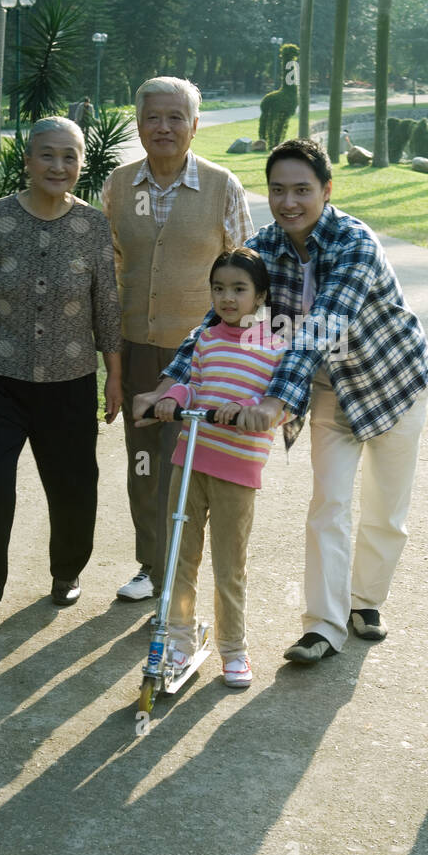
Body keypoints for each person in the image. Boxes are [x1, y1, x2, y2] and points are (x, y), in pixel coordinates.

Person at [137, 138, 428, 667]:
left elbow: (322, 326)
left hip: (390, 383)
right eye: (277, 190)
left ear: (326, 190)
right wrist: (168, 384)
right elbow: (219, 320)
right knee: (329, 504)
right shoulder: (266, 245)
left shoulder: (354, 243)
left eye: (302, 190)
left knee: (387, 512)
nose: (288, 202)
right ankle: (323, 626)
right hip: (324, 391)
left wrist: (275, 401)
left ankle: (366, 601)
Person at [0, 116, 122, 639]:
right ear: (28, 159)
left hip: (68, 383)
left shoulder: (92, 226)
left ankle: (66, 571)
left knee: (73, 487)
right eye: (47, 154)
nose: (58, 166)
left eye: (70, 156)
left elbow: (106, 305)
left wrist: (113, 377)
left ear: (82, 164)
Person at [102, 76, 253, 605]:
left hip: (203, 357)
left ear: (194, 124)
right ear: (138, 123)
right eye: (152, 117)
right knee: (143, 461)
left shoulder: (221, 185)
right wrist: (113, 362)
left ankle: (179, 573)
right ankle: (151, 564)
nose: (163, 127)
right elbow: (112, 266)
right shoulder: (119, 186)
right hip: (138, 346)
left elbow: (248, 271)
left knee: (187, 463)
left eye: (175, 118)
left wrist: (245, 355)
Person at [144, 248, 288, 687]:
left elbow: (277, 408)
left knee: (229, 566)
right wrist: (173, 398)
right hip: (190, 459)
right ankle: (179, 638)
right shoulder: (205, 339)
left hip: (237, 470)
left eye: (239, 289)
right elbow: (194, 386)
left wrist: (242, 408)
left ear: (260, 295)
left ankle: (233, 650)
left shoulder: (276, 346)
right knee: (180, 558)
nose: (227, 298)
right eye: (219, 288)